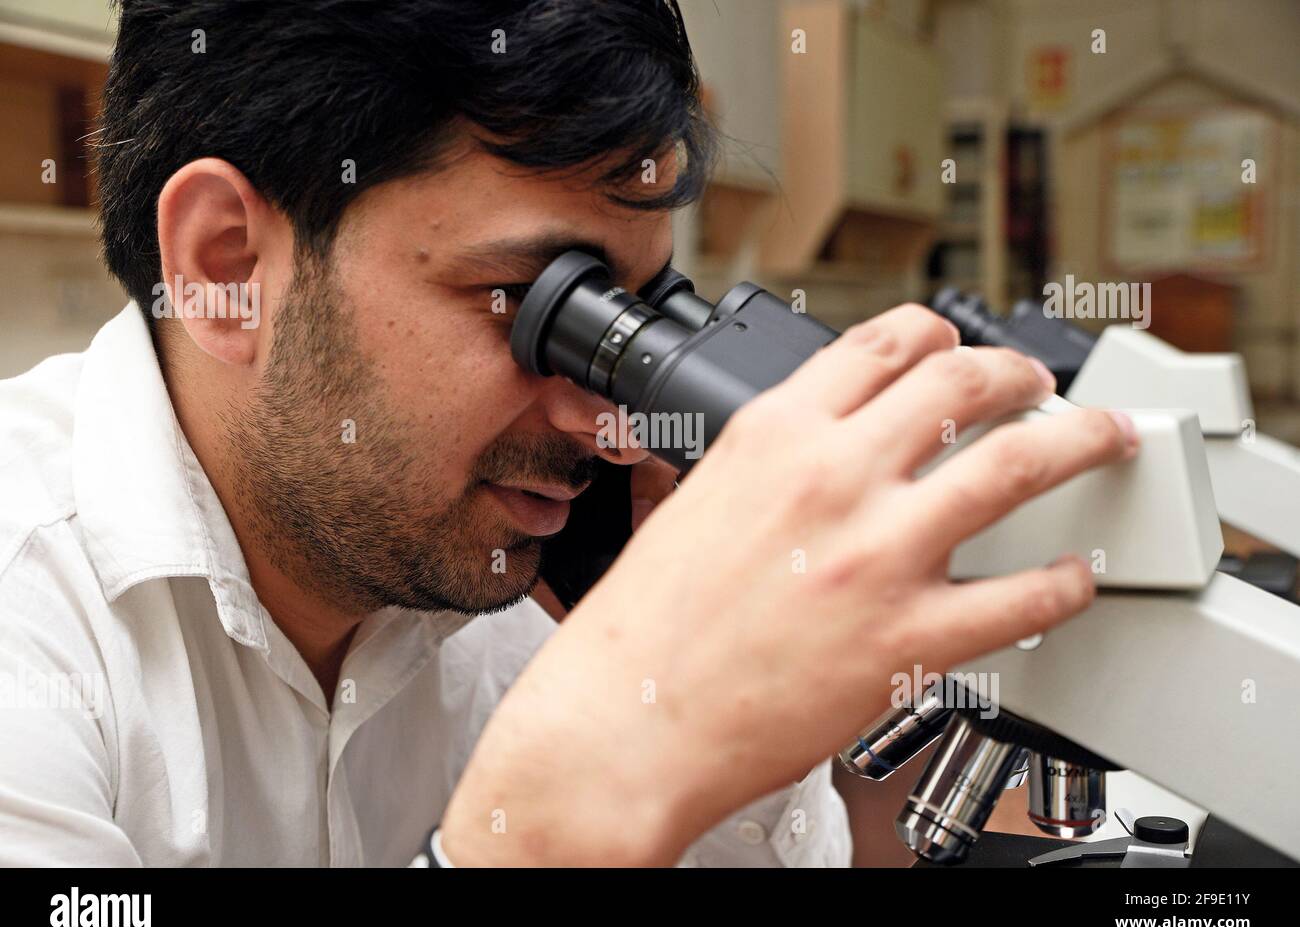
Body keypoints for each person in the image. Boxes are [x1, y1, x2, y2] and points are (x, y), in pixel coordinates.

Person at [0, 0, 1136, 866]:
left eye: (632, 320)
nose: (605, 420)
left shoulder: (495, 601)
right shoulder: (30, 618)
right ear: (225, 267)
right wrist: (556, 813)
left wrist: (723, 727)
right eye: (537, 305)